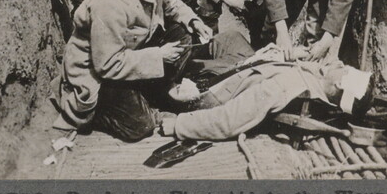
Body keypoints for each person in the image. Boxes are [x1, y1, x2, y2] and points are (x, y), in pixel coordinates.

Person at [51, 0, 213, 141]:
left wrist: (194, 21)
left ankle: (150, 94)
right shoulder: (112, 3)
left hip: (131, 55)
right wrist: (158, 56)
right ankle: (99, 112)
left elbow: (169, 3)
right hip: (99, 73)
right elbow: (106, 64)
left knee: (182, 35)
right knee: (140, 125)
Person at [159, 60, 375, 141]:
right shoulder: (320, 85)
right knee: (230, 37)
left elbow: (231, 119)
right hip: (245, 69)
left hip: (212, 94)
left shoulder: (284, 87)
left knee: (165, 72)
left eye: (344, 69)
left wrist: (181, 125)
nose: (340, 64)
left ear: (339, 86)